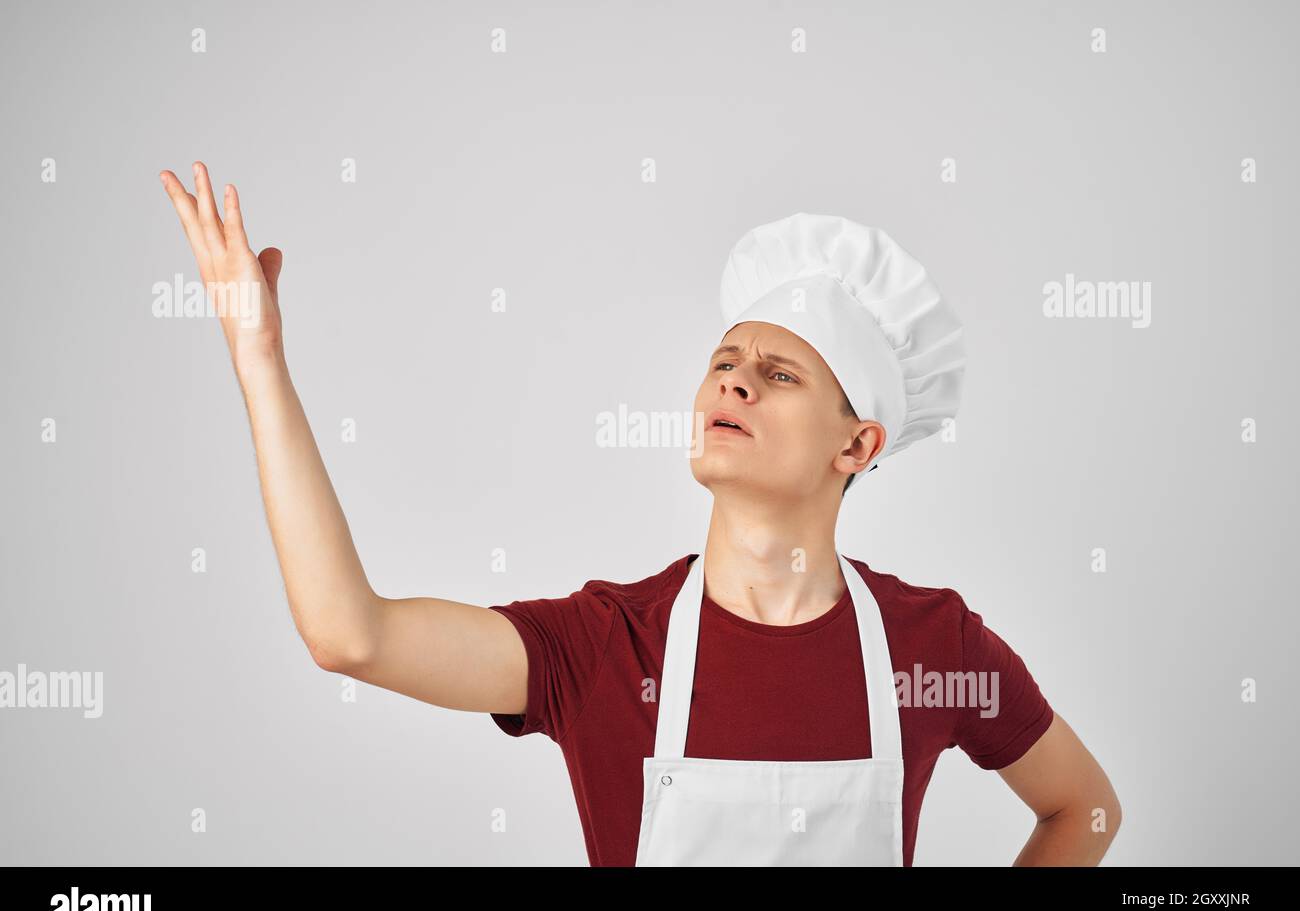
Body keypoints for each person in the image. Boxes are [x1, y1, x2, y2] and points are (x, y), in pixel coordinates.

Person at [159, 163, 1122, 866]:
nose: (735, 380)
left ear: (857, 446)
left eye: (778, 373)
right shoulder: (608, 645)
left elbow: (1084, 811)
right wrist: (261, 362)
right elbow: (349, 634)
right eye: (724, 361)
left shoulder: (934, 647)